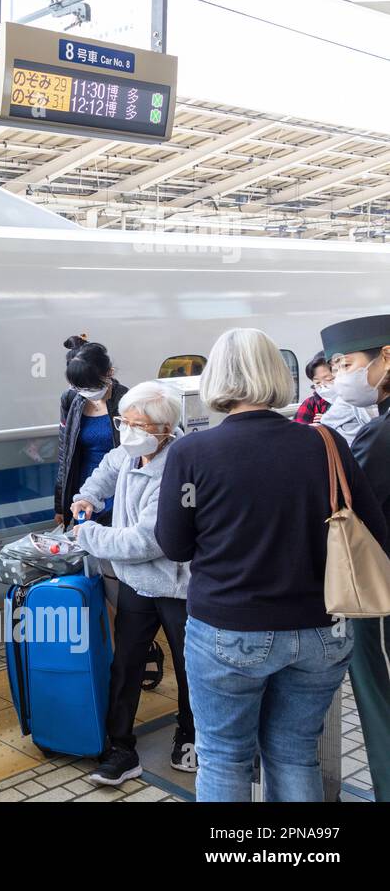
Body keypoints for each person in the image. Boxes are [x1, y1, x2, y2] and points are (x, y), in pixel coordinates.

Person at [156, 328, 388, 801]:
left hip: (228, 629)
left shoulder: (191, 453)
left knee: (223, 757)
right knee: (294, 752)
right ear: (277, 375)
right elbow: (374, 533)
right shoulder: (326, 444)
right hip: (322, 631)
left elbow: (175, 545)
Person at [67, 382, 194, 785]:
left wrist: (85, 535)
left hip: (177, 588)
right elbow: (102, 473)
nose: (128, 431)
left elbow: (146, 541)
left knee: (191, 668)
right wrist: (86, 499)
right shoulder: (129, 453)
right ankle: (121, 749)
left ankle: (189, 739)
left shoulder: (176, 470)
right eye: (125, 422)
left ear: (165, 430)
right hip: (136, 583)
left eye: (140, 425)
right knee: (126, 665)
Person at [322, 315, 390, 801]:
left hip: (380, 594)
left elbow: (346, 509)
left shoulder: (380, 436)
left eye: (347, 364)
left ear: (386, 357)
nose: (340, 375)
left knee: (378, 698)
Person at [55, 337, 128, 527]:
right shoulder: (72, 399)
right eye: (78, 387)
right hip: (83, 485)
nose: (83, 392)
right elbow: (65, 452)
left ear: (109, 374)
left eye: (89, 386)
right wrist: (60, 505)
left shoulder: (127, 402)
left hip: (117, 485)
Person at [293, 351, 333, 425]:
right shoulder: (310, 404)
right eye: (317, 383)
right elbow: (297, 433)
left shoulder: (354, 402)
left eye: (329, 379)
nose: (323, 386)